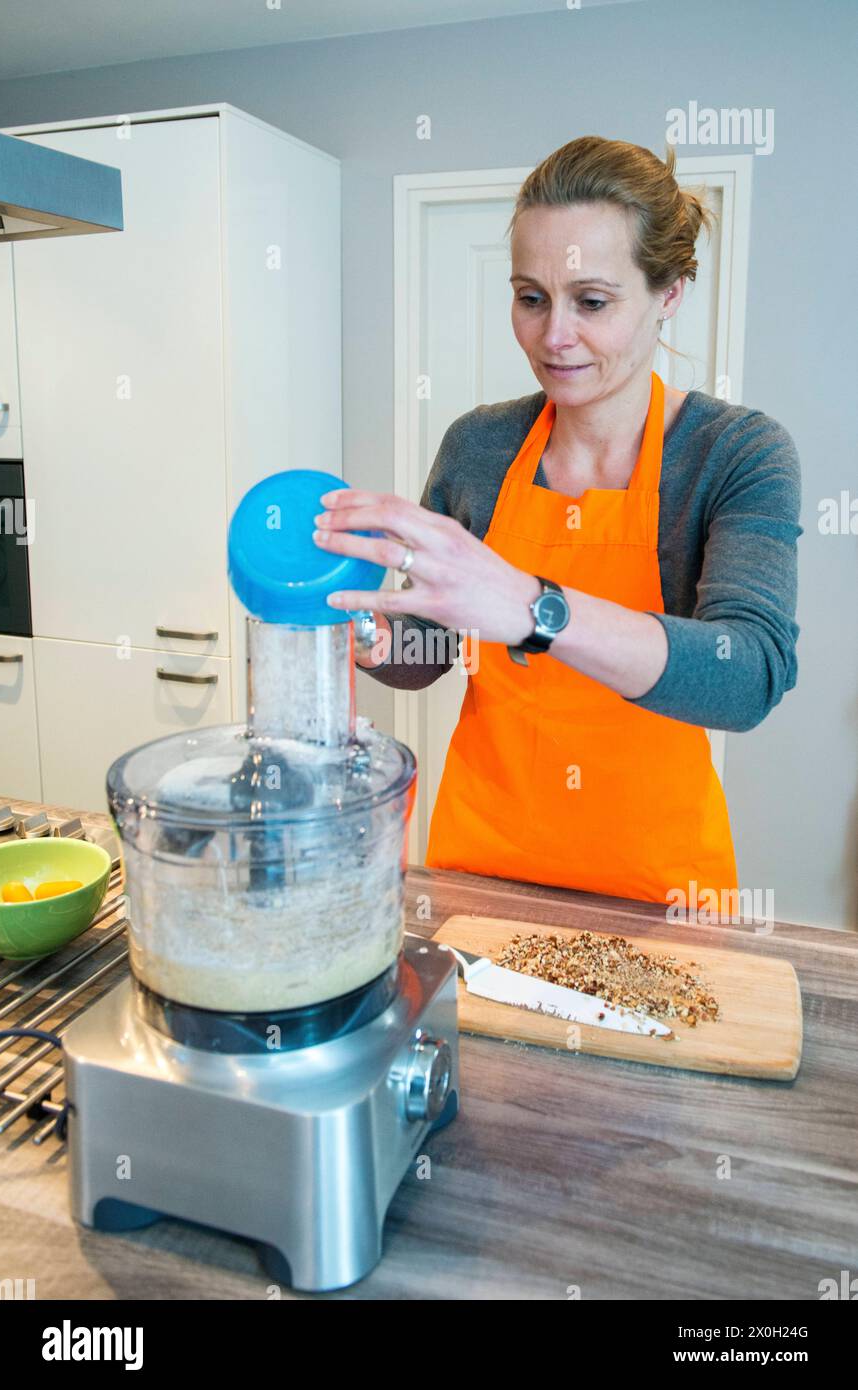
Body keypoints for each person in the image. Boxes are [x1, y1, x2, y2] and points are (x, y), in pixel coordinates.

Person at [311, 135, 801, 905]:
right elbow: (433, 648)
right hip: (484, 868)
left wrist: (533, 608)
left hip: (661, 891)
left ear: (669, 291)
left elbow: (748, 678)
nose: (553, 337)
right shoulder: (479, 445)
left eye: (593, 302)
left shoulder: (735, 452)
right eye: (531, 297)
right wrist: (364, 626)